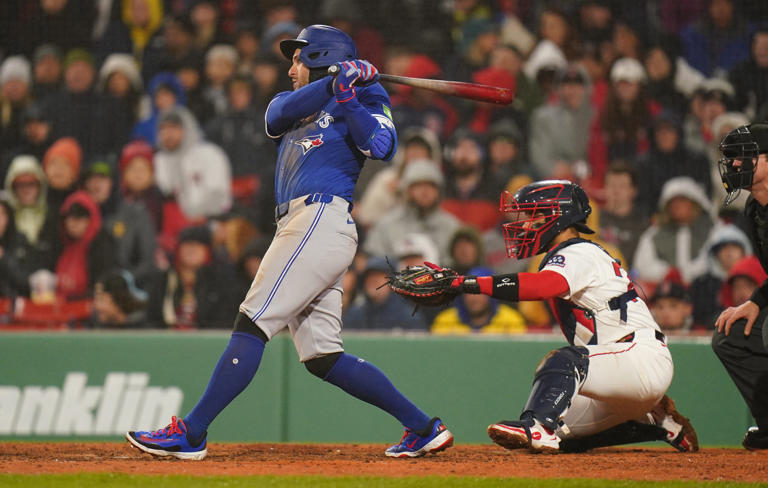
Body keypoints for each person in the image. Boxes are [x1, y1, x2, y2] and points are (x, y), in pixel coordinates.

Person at [126, 25, 453, 460]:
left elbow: (381, 146)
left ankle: (192, 432)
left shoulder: (369, 97)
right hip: (302, 225)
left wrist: (348, 96)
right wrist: (334, 83)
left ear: (321, 57)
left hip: (322, 217)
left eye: (299, 60)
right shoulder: (291, 105)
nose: (292, 69)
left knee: (252, 320)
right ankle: (423, 427)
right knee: (322, 356)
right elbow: (273, 119)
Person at [430, 179, 697, 453]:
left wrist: (468, 283)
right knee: (561, 437)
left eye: (533, 216)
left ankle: (537, 425)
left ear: (558, 217)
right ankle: (659, 423)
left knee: (561, 363)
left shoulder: (578, 251)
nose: (523, 225)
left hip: (636, 357)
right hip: (621, 376)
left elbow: (542, 287)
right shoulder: (577, 253)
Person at [713, 123, 768, 450]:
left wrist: (759, 300)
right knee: (731, 335)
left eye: (745, 157)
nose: (735, 165)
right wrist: (758, 302)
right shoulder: (753, 210)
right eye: (732, 158)